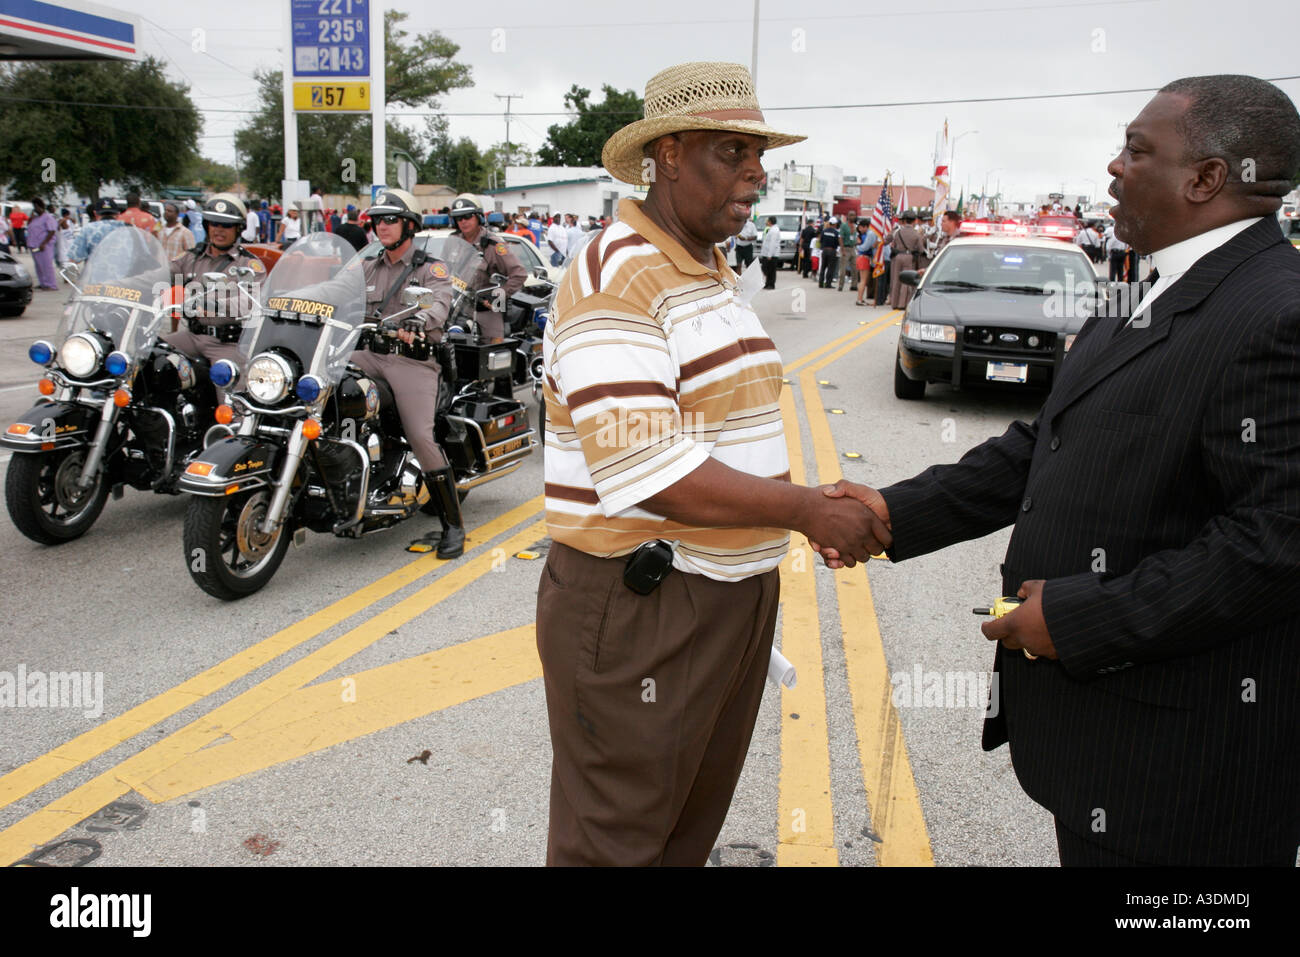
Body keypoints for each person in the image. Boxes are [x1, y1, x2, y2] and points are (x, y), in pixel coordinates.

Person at [815, 74, 1300, 866]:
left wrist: (1080, 619)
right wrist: (891, 512)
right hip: (1107, 751)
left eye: (1137, 150)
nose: (1113, 168)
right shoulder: (1143, 292)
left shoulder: (1278, 313)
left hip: (1187, 777)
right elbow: (1043, 444)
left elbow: (1276, 544)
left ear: (1208, 178)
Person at [538, 60, 891, 867]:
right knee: (615, 843)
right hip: (642, 606)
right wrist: (806, 509)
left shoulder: (706, 266)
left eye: (757, 153)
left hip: (723, 595)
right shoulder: (617, 274)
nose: (756, 172)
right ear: (666, 154)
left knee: (680, 836)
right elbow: (647, 468)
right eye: (732, 151)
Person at [347, 189, 463, 559]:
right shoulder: (366, 266)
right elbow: (336, 294)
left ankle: (453, 525)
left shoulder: (431, 269)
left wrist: (419, 318)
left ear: (410, 225)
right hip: (366, 354)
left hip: (411, 361)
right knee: (318, 391)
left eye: (390, 219)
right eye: (377, 220)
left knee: (419, 434)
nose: (381, 225)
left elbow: (439, 306)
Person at [161, 193, 265, 370]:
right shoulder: (192, 258)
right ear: (206, 225)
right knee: (152, 356)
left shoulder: (248, 264)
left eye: (226, 225)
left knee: (228, 384)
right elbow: (161, 274)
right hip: (192, 336)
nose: (219, 230)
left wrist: (215, 304)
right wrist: (122, 284)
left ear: (238, 229)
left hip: (227, 344)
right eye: (214, 224)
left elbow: (252, 301)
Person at [447, 193, 526, 341]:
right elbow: (444, 270)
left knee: (494, 348)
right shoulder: (453, 241)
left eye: (468, 216)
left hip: (483, 308)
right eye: (459, 218)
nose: (463, 222)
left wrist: (498, 294)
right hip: (455, 307)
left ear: (478, 217)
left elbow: (519, 274)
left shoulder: (493, 244)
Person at [67, 197, 126, 262]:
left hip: (95, 272)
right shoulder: (128, 228)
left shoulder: (88, 229)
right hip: (124, 271)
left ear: (95, 214)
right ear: (118, 214)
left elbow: (74, 259)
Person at [888, 210, 926, 308]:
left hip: (898, 257)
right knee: (906, 280)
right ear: (914, 221)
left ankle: (894, 303)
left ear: (904, 221)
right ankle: (902, 304)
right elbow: (921, 249)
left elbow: (894, 245)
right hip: (909, 257)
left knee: (896, 279)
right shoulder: (916, 234)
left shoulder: (898, 232)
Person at [26, 198, 59, 291]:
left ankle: (51, 284)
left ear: (41, 207)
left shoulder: (48, 217)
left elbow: (52, 231)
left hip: (44, 246)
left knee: (46, 265)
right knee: (39, 266)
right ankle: (43, 283)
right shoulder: (35, 218)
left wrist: (44, 243)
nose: (35, 209)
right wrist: (31, 216)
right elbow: (29, 225)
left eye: (36, 207)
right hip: (34, 245)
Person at [854, 219, 875, 305]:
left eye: (860, 227)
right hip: (864, 258)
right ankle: (859, 299)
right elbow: (866, 246)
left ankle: (860, 298)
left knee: (862, 280)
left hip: (860, 257)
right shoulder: (865, 236)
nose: (859, 229)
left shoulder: (862, 236)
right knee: (863, 280)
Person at [758, 214, 780, 289]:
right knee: (766, 269)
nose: (766, 222)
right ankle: (767, 283)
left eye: (767, 221)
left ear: (770, 222)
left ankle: (771, 284)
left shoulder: (774, 230)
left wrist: (770, 255)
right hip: (767, 253)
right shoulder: (771, 229)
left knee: (771, 270)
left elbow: (772, 243)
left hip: (771, 254)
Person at [817, 216, 840, 288]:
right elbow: (838, 243)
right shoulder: (836, 232)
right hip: (832, 251)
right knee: (830, 268)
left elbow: (820, 241)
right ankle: (828, 284)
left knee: (823, 267)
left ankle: (820, 283)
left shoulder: (824, 231)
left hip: (824, 250)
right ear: (835, 224)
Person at [837, 214, 855, 290]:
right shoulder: (844, 226)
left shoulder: (854, 226)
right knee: (843, 268)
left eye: (853, 215)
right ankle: (841, 285)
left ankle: (854, 285)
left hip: (853, 248)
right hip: (846, 247)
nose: (852, 217)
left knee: (855, 268)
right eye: (851, 215)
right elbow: (840, 237)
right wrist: (842, 249)